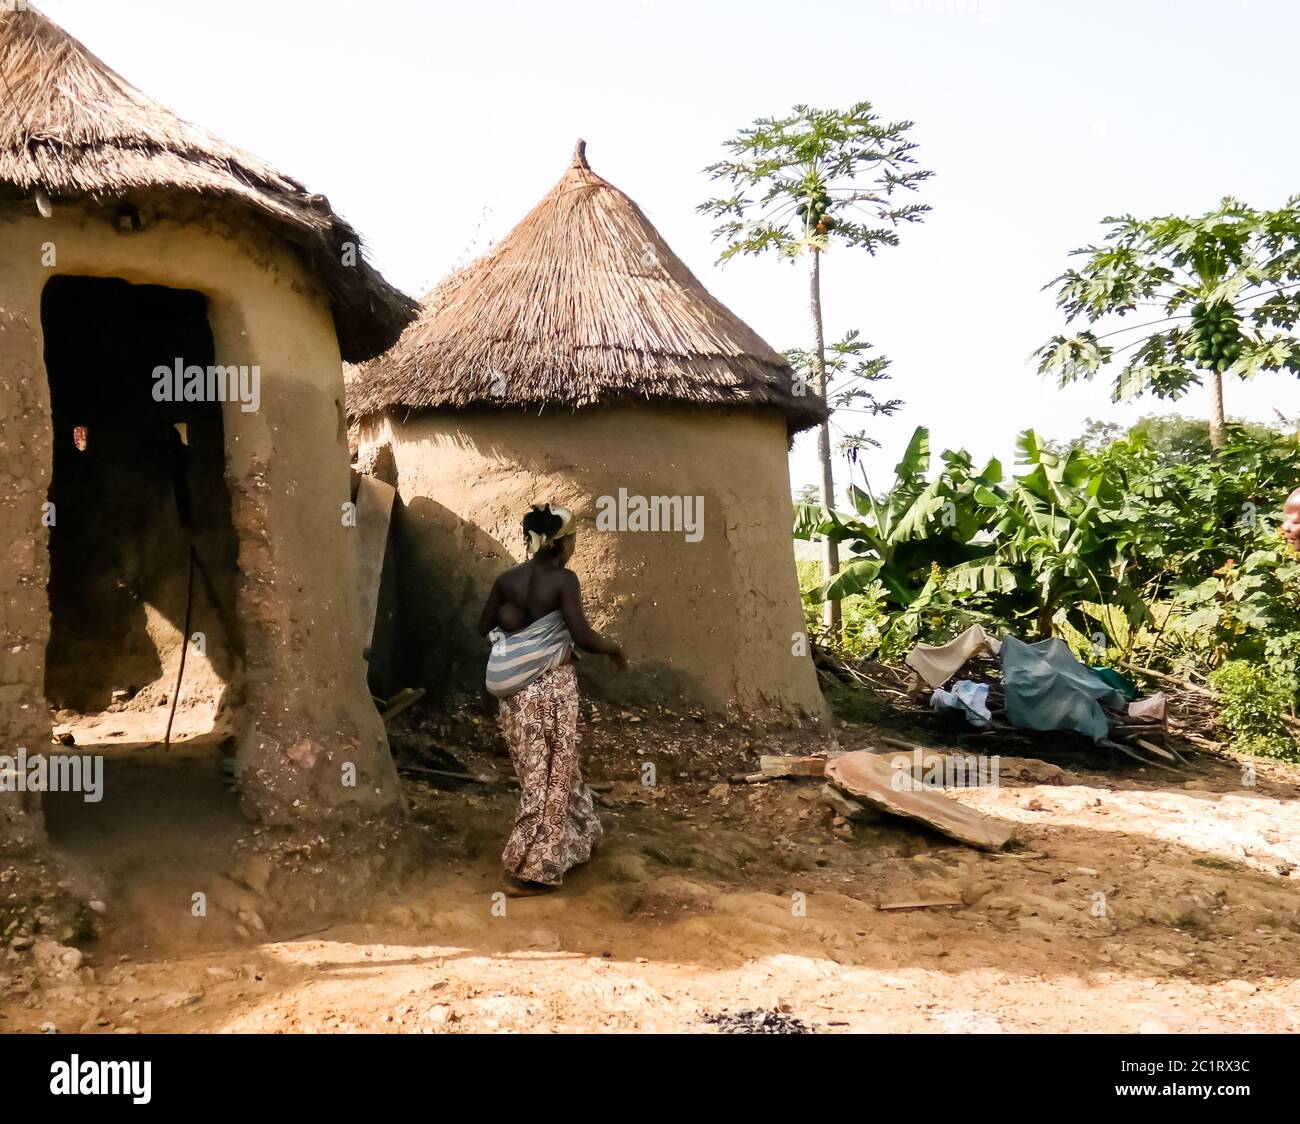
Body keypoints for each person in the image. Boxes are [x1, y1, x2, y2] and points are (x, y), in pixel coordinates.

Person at [479, 503, 627, 897]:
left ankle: (584, 832)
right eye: (574, 539)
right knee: (549, 778)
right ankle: (532, 871)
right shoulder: (564, 580)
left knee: (548, 772)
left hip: (515, 699)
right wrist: (614, 649)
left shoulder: (506, 579)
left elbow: (483, 626)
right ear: (562, 542)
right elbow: (583, 636)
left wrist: (518, 631)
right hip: (551, 689)